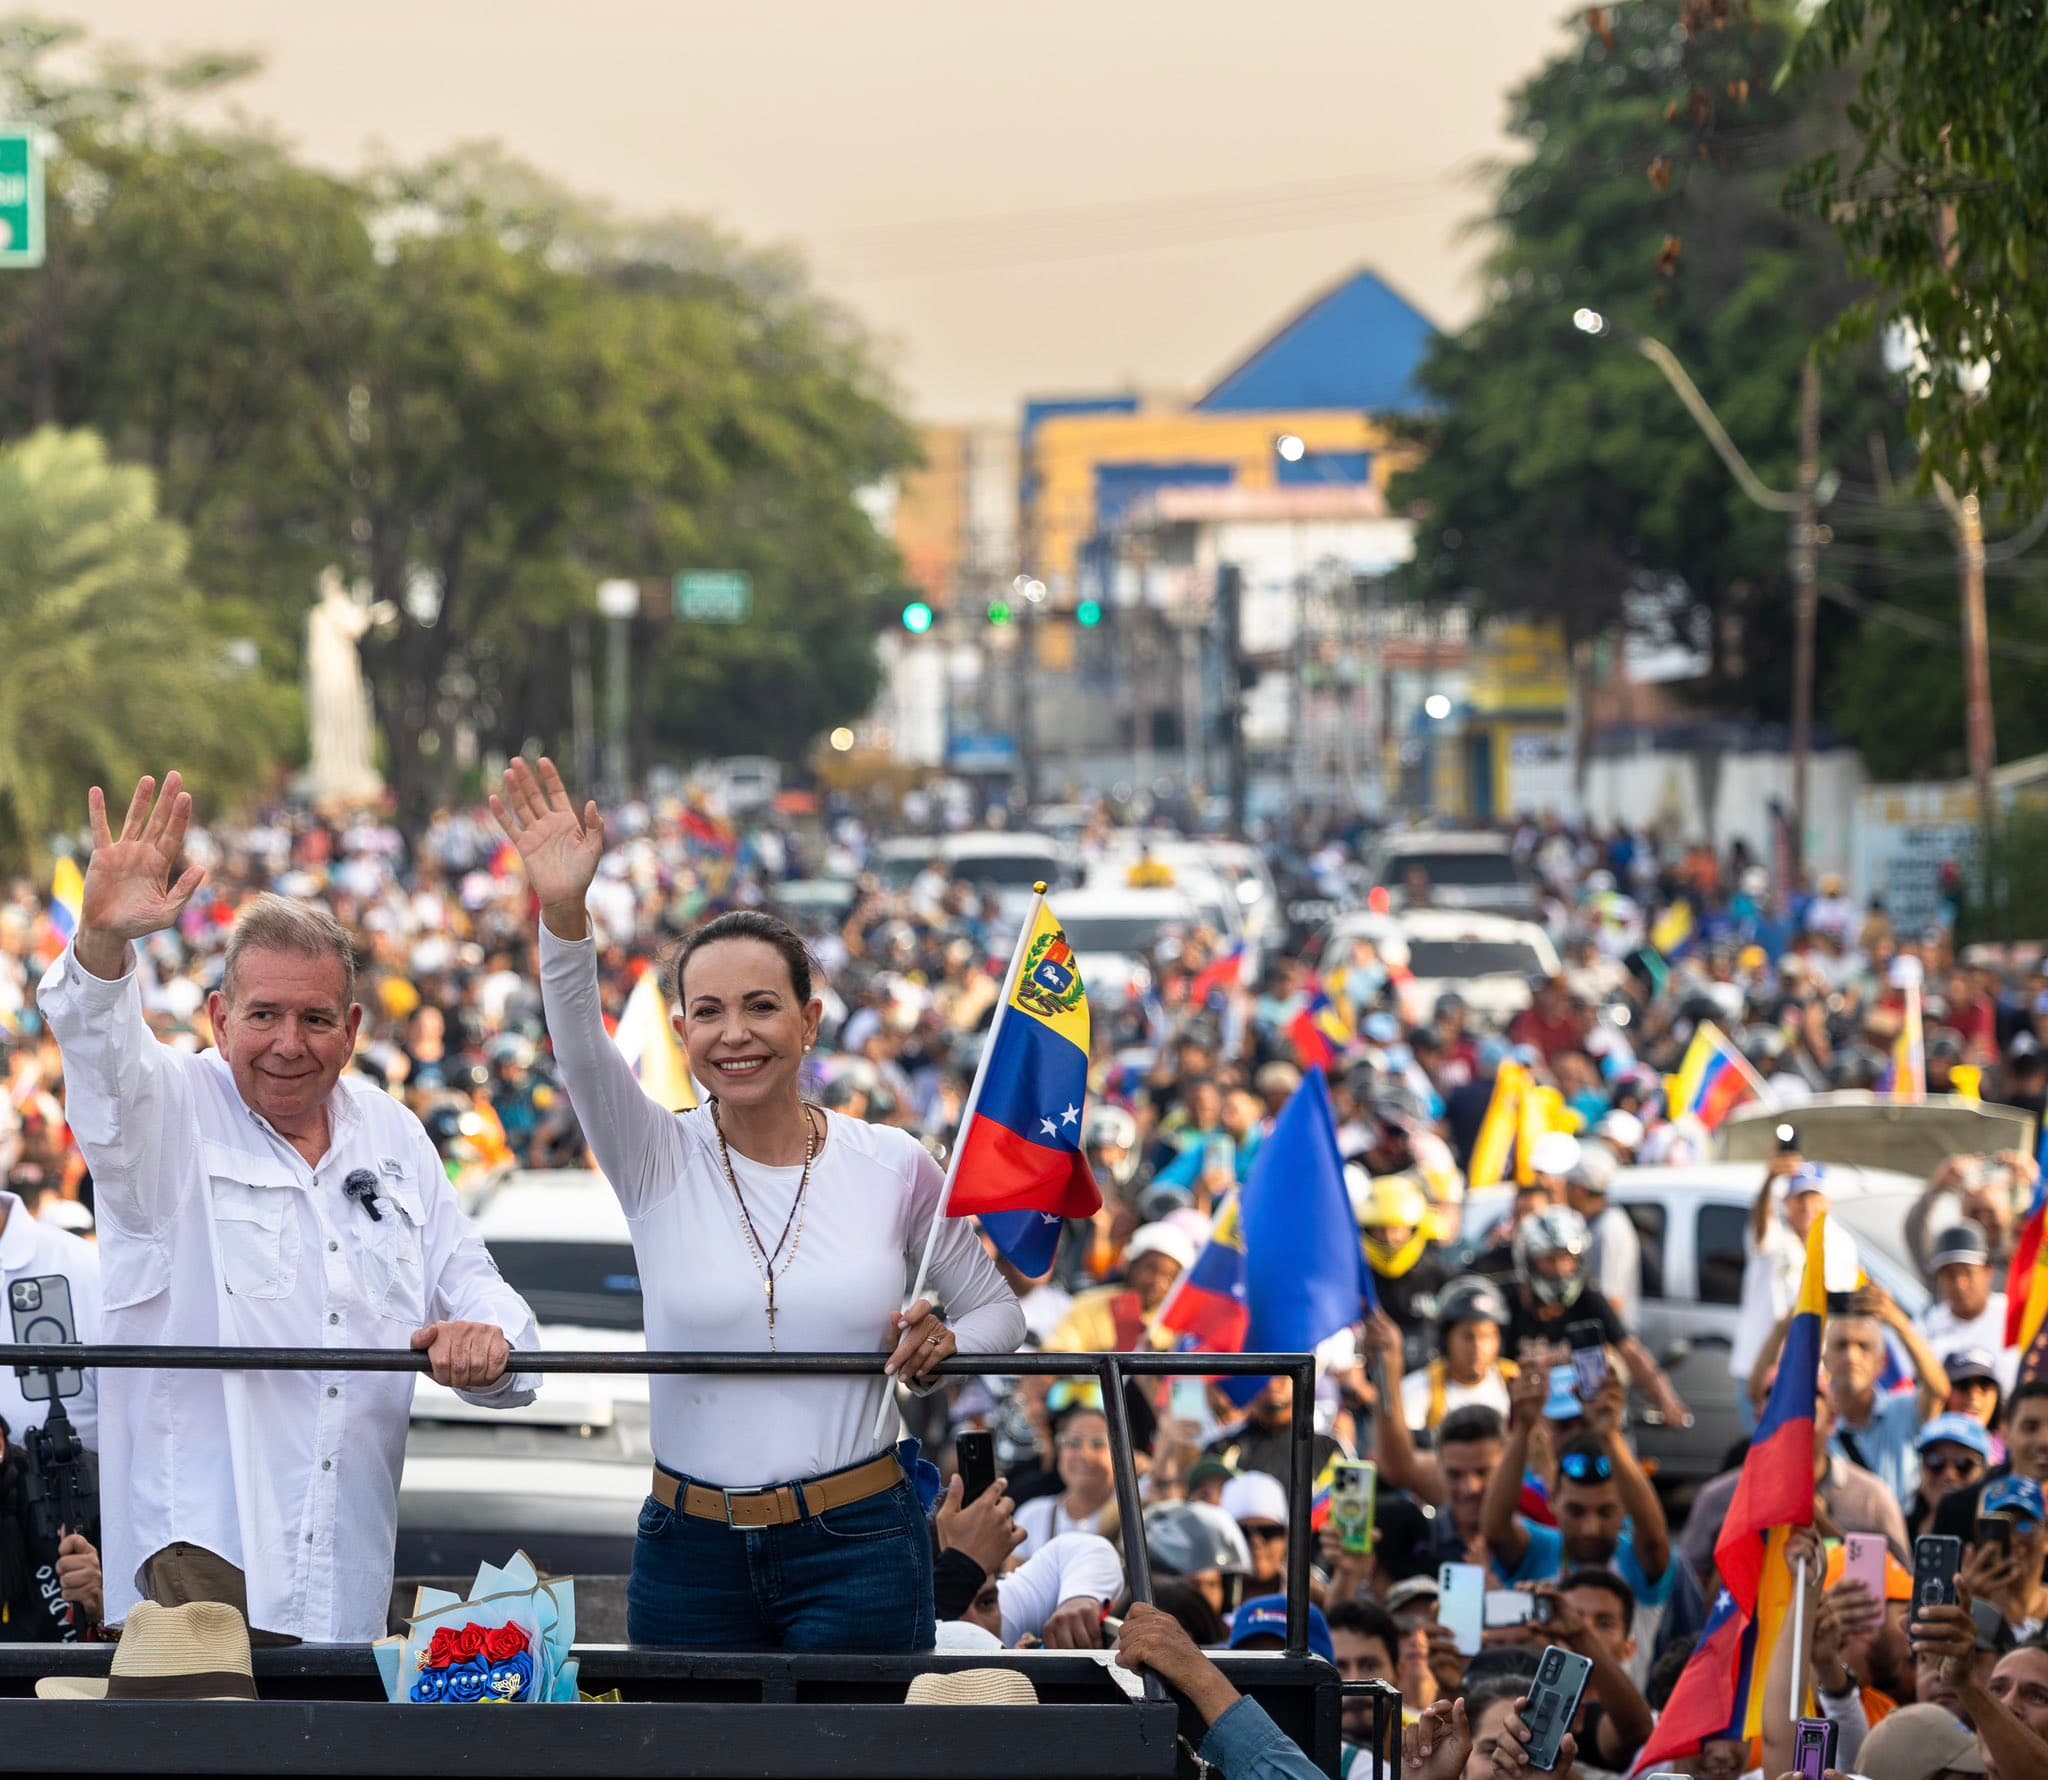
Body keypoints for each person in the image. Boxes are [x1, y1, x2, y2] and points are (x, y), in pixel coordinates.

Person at [495, 757, 1025, 1650]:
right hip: (689, 1548)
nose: (735, 1034)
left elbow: (999, 1312)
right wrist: (563, 915)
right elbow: (581, 1048)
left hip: (859, 1544)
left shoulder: (894, 1163)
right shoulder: (654, 1155)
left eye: (762, 1007)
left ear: (810, 1023)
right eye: (708, 1013)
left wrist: (949, 1341)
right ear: (681, 1033)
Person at [38, 771, 540, 1644]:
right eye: (263, 1015)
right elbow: (101, 1054)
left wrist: (486, 1339)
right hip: (197, 1569)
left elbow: (487, 1303)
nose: (287, 1044)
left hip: (347, 1576)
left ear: (351, 1029)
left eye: (314, 1020)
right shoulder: (166, 1114)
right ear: (220, 1018)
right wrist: (104, 943)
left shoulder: (395, 1137)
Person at [1481, 1370, 1703, 1683]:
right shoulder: (1540, 1550)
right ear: (1552, 1500)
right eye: (1575, 1510)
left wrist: (1610, 1434)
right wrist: (1523, 1429)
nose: (1590, 1528)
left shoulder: (1635, 1562)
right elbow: (1495, 1530)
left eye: (1606, 1511)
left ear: (1624, 1508)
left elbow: (1653, 1534)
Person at [1681, 1385, 1912, 1583]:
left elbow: (1900, 1584)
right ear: (1759, 1417)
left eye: (1809, 1394)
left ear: (1832, 1417)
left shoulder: (1873, 1496)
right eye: (1779, 1393)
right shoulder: (1718, 1497)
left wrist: (1820, 1523)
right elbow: (1691, 1589)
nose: (1792, 1404)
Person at [1116, 1601, 1359, 1780]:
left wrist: (1201, 1678)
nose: (1265, 1701)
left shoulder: (1358, 1766)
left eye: (1285, 1677)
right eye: (1252, 1665)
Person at [1502, 1206, 1690, 1428]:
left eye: (1566, 1258)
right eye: (1549, 1259)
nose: (1560, 1269)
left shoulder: (1589, 1299)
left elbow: (1631, 1351)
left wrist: (1667, 1400)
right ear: (1529, 1262)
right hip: (1529, 1424)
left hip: (1586, 1422)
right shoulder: (1508, 1306)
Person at [1044, 1222, 1192, 1352]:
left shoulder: (1182, 1321)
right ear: (1131, 1265)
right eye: (1150, 1269)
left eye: (1170, 1277)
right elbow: (1058, 1354)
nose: (1158, 1282)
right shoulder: (1088, 1303)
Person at [1397, 1277, 1517, 1435]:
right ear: (1445, 1339)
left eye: (1487, 1336)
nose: (1477, 1347)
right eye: (1468, 1336)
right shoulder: (1415, 1390)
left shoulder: (1515, 1385)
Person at [1015, 1402, 1117, 1555]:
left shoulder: (1140, 1509)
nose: (1084, 1455)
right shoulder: (1033, 1516)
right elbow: (1014, 1577)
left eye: (1097, 1444)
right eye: (1073, 1443)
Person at [1562, 1142, 1639, 1324]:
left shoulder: (1609, 1229)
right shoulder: (1595, 1224)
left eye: (1568, 1185)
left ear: (1579, 1191)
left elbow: (1612, 1300)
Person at [1918, 1224, 2010, 1374]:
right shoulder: (1927, 1327)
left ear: (1987, 1271)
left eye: (1968, 1272)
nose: (1960, 1284)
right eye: (1949, 1275)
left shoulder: (2013, 1316)